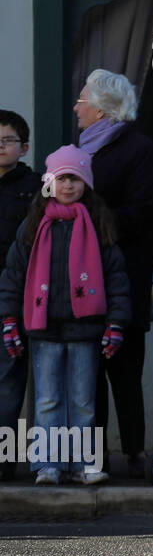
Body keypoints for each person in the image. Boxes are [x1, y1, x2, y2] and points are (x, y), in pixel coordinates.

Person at [0, 146, 130, 485]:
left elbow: (116, 278)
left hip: (86, 328)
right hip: (43, 330)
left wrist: (116, 322)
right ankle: (48, 464)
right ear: (49, 183)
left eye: (74, 178)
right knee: (47, 400)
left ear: (85, 182)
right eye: (61, 178)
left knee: (83, 400)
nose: (68, 185)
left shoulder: (98, 226)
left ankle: (84, 463)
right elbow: (13, 276)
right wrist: (9, 319)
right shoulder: (33, 226)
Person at [74, 69, 153, 479]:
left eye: (82, 100)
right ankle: (92, 458)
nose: (76, 107)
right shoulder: (78, 150)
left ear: (102, 108)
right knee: (86, 375)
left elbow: (144, 214)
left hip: (123, 278)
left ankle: (133, 454)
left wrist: (88, 218)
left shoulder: (139, 149)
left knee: (125, 373)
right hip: (80, 282)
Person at [0, 110, 39, 481]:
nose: (0, 147)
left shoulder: (35, 189)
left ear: (23, 147)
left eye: (7, 140)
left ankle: (4, 460)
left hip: (14, 296)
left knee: (8, 381)